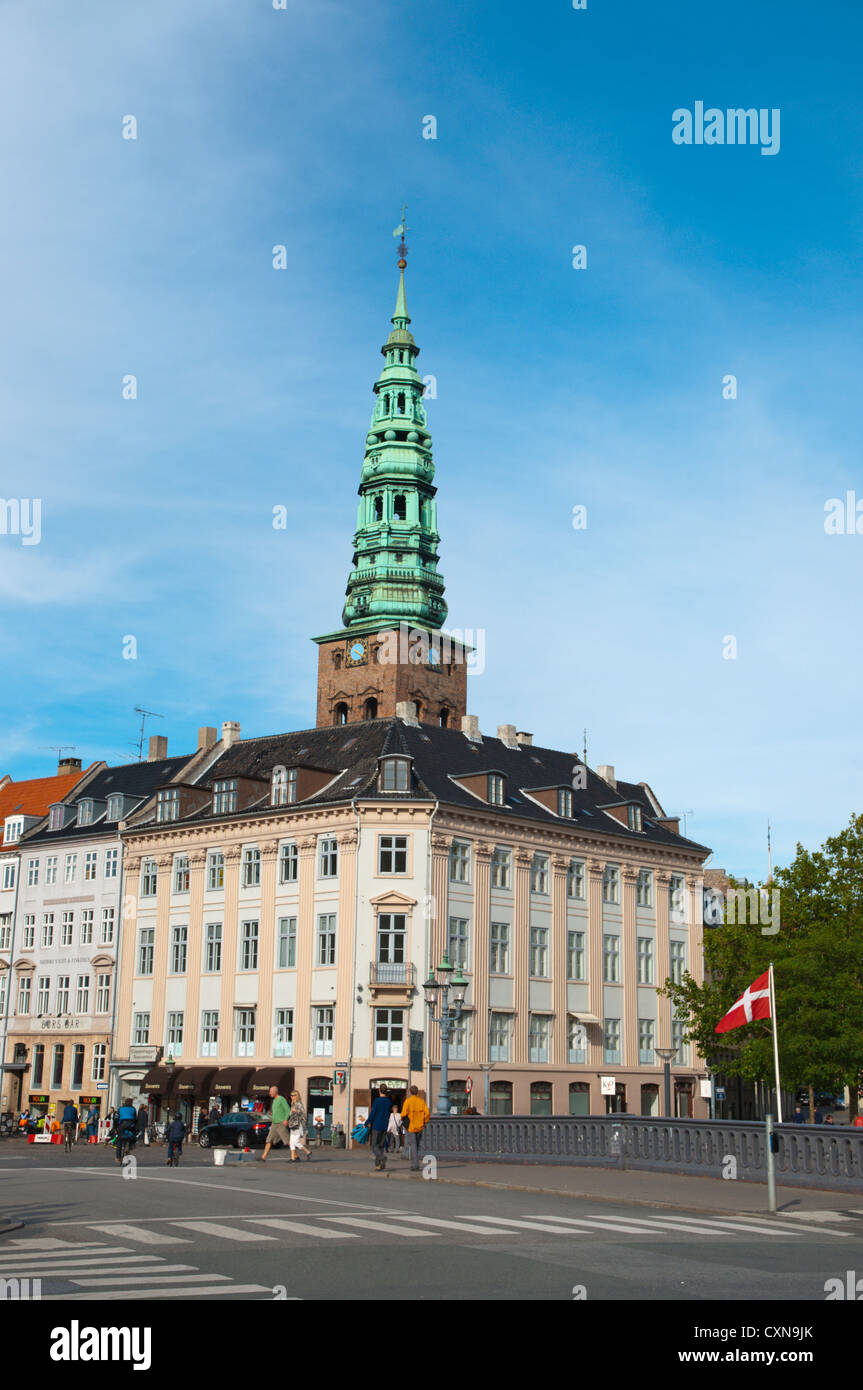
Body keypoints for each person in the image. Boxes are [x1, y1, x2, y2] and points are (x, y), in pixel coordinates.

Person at [400, 1085, 430, 1171]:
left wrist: (403, 1121)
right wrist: (424, 1122)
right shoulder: (421, 1102)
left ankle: (415, 1165)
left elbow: (403, 1114)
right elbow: (427, 1114)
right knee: (416, 1145)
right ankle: (415, 1163)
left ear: (410, 1092)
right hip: (420, 1126)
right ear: (417, 1092)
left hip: (411, 1127)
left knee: (413, 1146)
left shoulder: (408, 1101)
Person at [259, 1085, 291, 1163]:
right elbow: (275, 1113)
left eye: (271, 1091)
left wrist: (286, 1119)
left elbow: (288, 1110)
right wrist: (272, 1121)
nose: (270, 1093)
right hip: (275, 1124)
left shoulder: (281, 1099)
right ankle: (263, 1157)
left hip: (281, 1124)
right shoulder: (274, 1101)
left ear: (275, 1092)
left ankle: (295, 1156)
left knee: (287, 1141)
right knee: (268, 1140)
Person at [367, 1085, 393, 1171]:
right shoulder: (389, 1102)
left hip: (376, 1125)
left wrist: (367, 1122)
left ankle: (382, 1158)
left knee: (374, 1146)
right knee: (381, 1146)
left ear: (379, 1090)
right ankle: (378, 1166)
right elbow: (388, 1114)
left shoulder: (377, 1101)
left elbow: (373, 1112)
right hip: (384, 1125)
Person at [288, 1091, 312, 1162]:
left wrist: (296, 1111)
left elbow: (303, 1114)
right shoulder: (293, 1104)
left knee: (295, 1142)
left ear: (296, 1096)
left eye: (293, 1095)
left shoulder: (299, 1104)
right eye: (291, 1095)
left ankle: (308, 1152)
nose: (291, 1097)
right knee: (291, 1142)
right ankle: (293, 1158)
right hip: (293, 1125)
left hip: (298, 1125)